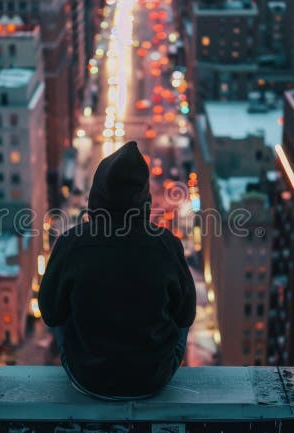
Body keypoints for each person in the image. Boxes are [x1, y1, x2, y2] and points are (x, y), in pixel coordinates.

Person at [38, 141, 196, 400]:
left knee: (61, 300)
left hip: (88, 378)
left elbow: (50, 313)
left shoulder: (71, 242)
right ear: (145, 198)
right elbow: (186, 315)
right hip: (153, 379)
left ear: (96, 195)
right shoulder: (166, 244)